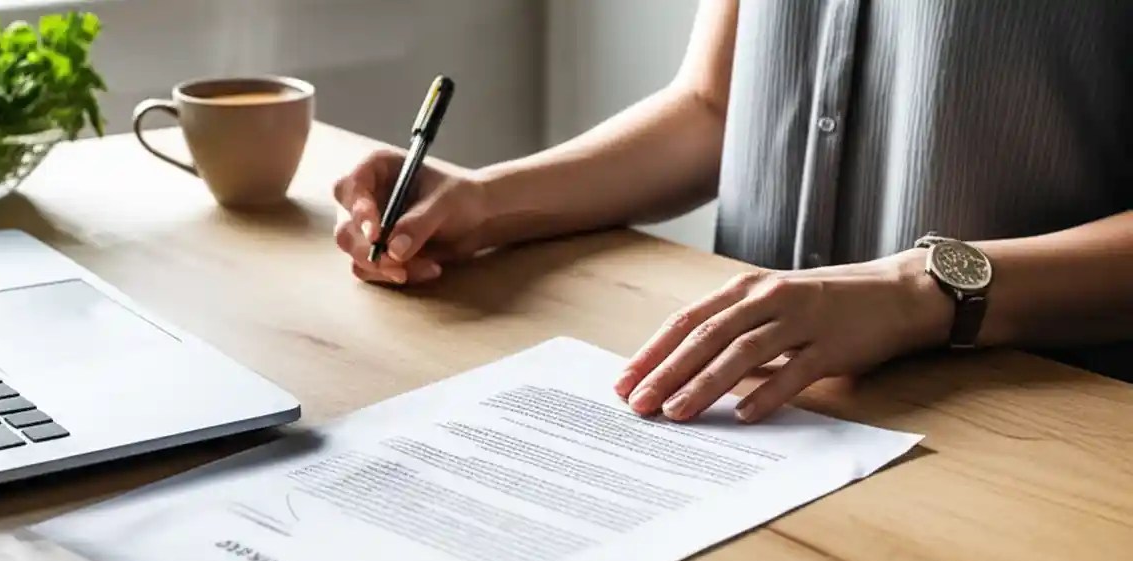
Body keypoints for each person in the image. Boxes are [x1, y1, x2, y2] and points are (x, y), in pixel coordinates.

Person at [332, 0, 1132, 423]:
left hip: (1025, 425)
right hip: (760, 416)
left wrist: (916, 290)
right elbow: (719, 105)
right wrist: (488, 199)